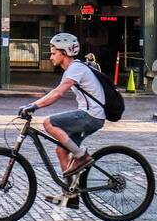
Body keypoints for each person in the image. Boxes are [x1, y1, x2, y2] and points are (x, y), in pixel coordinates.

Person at [19, 33, 105, 206]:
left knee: (48, 122)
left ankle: (81, 157)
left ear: (64, 52)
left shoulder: (75, 69)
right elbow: (57, 91)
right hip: (90, 115)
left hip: (91, 116)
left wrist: (34, 105)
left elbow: (58, 93)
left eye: (53, 52)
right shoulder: (73, 69)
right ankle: (71, 195)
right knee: (61, 151)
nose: (51, 56)